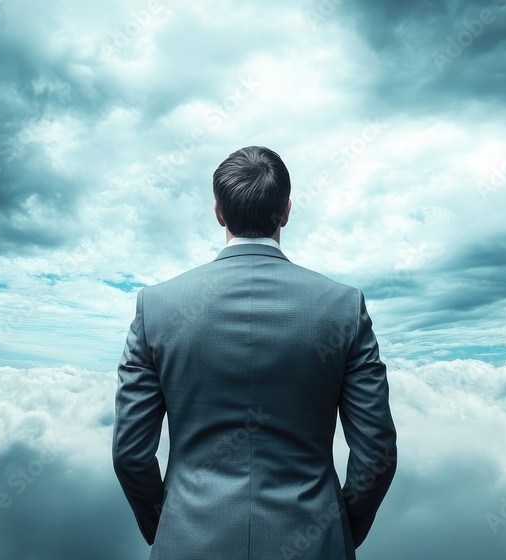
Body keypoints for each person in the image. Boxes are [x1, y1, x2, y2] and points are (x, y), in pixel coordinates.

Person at [113, 145, 398, 559]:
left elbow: (130, 454)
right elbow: (377, 454)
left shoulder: (157, 306)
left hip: (187, 543)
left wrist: (169, 525)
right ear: (285, 212)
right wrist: (336, 530)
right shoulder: (343, 307)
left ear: (218, 213)